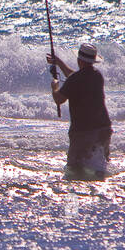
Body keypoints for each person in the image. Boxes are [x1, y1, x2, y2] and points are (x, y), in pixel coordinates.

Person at [48, 42, 112, 174]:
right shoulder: (97, 75)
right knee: (100, 166)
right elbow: (74, 77)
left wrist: (54, 87)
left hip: (83, 131)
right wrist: (59, 62)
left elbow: (59, 99)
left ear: (79, 60)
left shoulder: (75, 79)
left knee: (75, 167)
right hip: (103, 128)